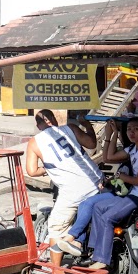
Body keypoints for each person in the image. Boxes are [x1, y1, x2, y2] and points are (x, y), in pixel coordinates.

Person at [24, 109, 102, 266]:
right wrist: (88, 125)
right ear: (54, 119)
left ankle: (56, 270)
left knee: (56, 226)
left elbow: (31, 171)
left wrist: (47, 168)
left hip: (73, 190)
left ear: (38, 126)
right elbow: (92, 144)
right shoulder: (70, 128)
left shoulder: (35, 142)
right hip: (96, 182)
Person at [81, 116, 138, 269]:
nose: (132, 132)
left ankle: (102, 260)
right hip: (134, 195)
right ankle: (95, 252)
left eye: (136, 129)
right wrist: (113, 134)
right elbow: (107, 157)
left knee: (108, 217)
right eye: (129, 129)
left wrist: (121, 176)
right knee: (98, 207)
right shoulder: (132, 149)